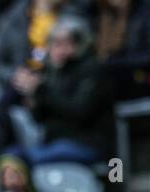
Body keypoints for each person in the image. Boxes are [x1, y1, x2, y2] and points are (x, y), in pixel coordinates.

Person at [22, 16, 113, 165]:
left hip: (87, 143)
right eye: (55, 44)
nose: (61, 50)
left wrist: (42, 91)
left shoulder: (93, 69)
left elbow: (80, 110)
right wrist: (32, 97)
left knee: (29, 160)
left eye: (68, 43)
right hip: (54, 142)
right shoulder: (50, 72)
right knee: (13, 158)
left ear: (81, 44)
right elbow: (39, 119)